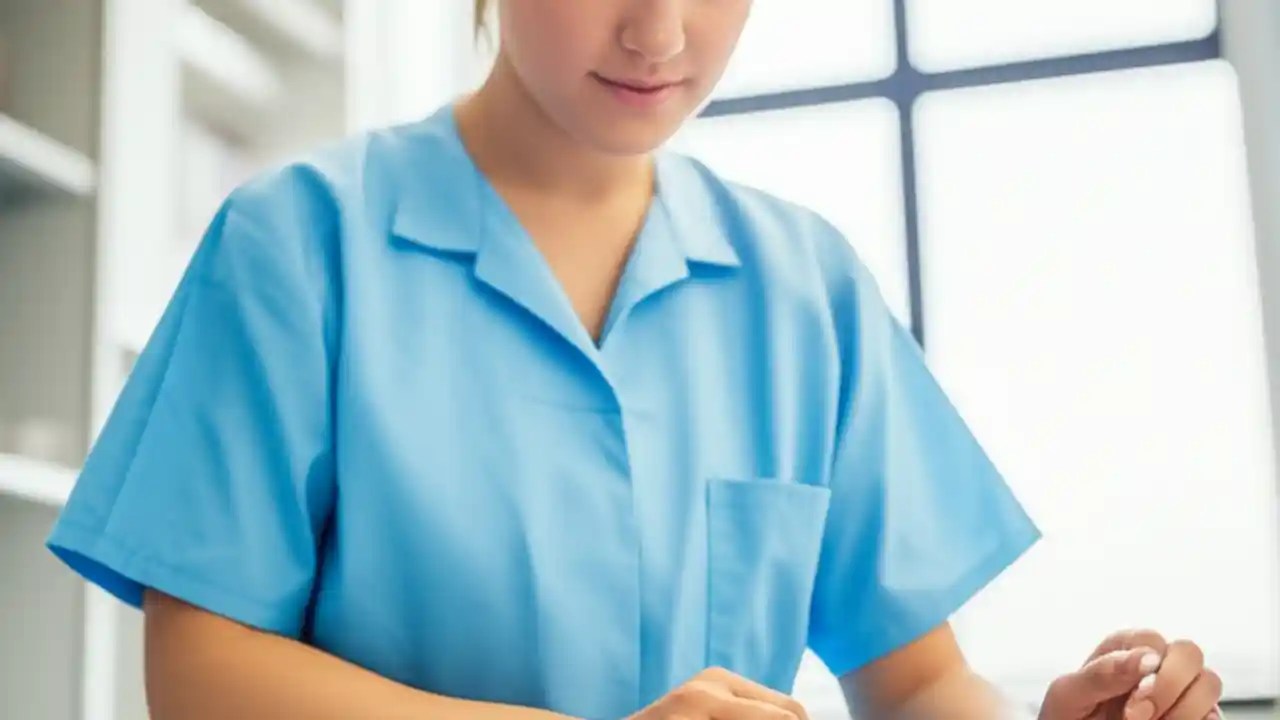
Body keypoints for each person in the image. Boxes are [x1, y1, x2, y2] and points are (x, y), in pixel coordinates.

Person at [47, 1, 1223, 719]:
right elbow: (202, 681)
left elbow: (912, 684)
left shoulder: (800, 284)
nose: (659, 35)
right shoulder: (299, 244)